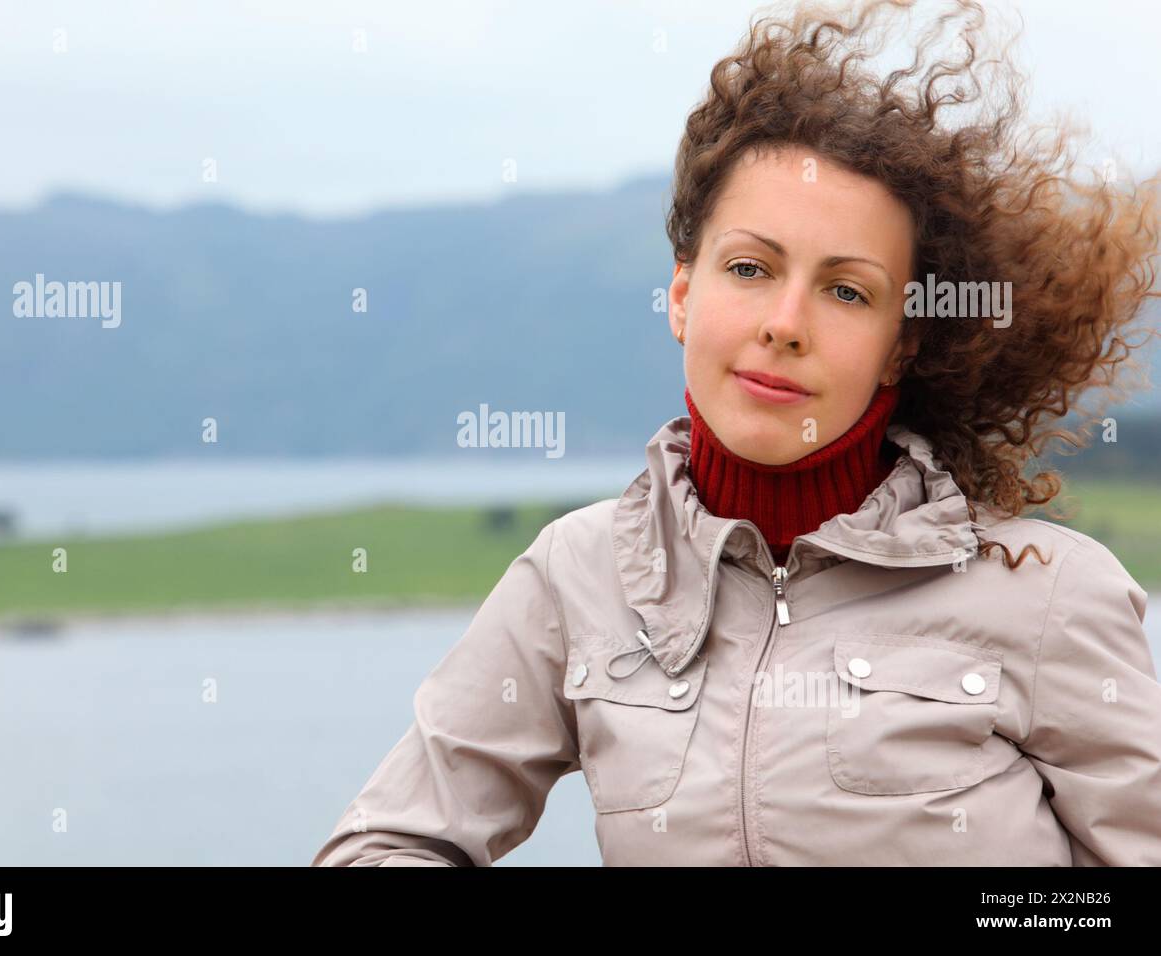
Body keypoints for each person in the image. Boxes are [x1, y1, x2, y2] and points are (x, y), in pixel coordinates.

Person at [312, 0, 1161, 866]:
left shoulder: (1051, 592)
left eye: (846, 291)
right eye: (750, 269)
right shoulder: (578, 577)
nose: (785, 323)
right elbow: (384, 843)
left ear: (901, 344)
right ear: (683, 295)